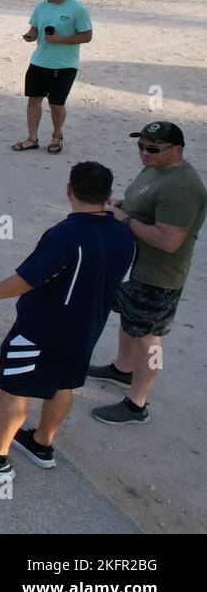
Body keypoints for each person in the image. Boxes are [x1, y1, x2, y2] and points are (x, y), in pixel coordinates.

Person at [0, 162, 136, 480]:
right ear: (108, 195)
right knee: (64, 384)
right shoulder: (124, 236)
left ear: (68, 190)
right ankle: (42, 444)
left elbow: (26, 280)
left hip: (40, 329)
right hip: (86, 329)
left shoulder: (66, 234)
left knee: (14, 388)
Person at [88, 122, 204, 425]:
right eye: (140, 145)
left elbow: (169, 241)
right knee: (130, 323)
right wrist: (122, 206)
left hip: (157, 277)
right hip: (134, 268)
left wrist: (124, 219)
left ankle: (137, 405)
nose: (143, 153)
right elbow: (143, 205)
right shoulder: (154, 169)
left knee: (149, 338)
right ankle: (122, 370)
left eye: (152, 148)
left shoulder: (182, 188)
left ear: (176, 150)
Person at [11, 0, 92, 155]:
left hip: (64, 65)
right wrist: (30, 35)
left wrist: (60, 40)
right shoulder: (41, 6)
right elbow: (34, 28)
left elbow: (87, 36)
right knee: (33, 100)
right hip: (39, 62)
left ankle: (57, 135)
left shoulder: (77, 9)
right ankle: (32, 138)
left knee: (56, 105)